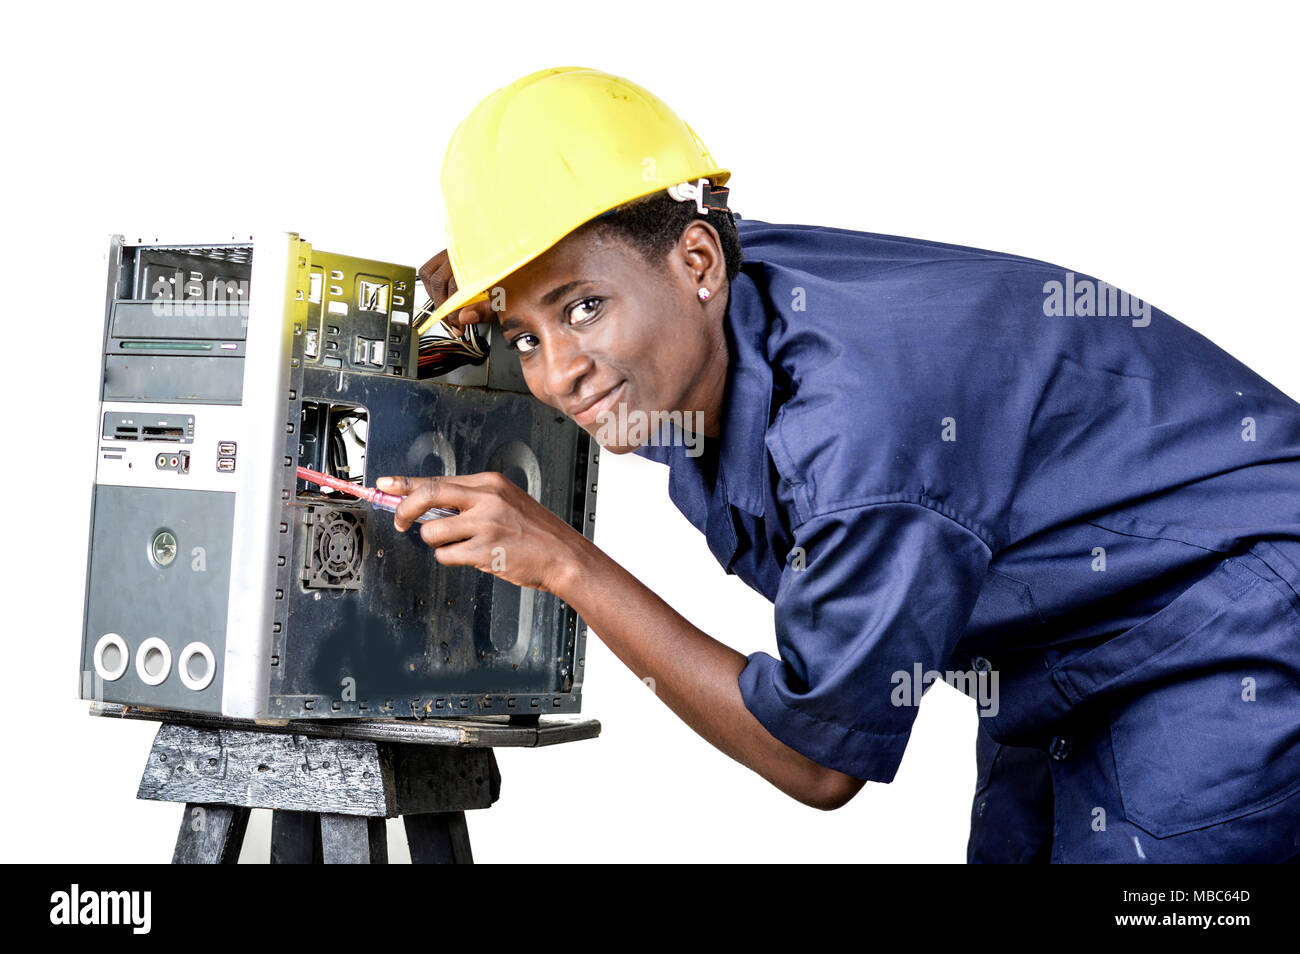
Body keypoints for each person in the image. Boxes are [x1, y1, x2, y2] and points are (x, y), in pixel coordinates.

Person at [377, 66, 1300, 862]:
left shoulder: (862, 432)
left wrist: (565, 562)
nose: (559, 374)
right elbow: (601, 277)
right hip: (1065, 663)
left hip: (1235, 621)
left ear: (698, 261)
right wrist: (478, 309)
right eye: (524, 337)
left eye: (582, 310)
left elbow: (819, 763)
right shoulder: (710, 284)